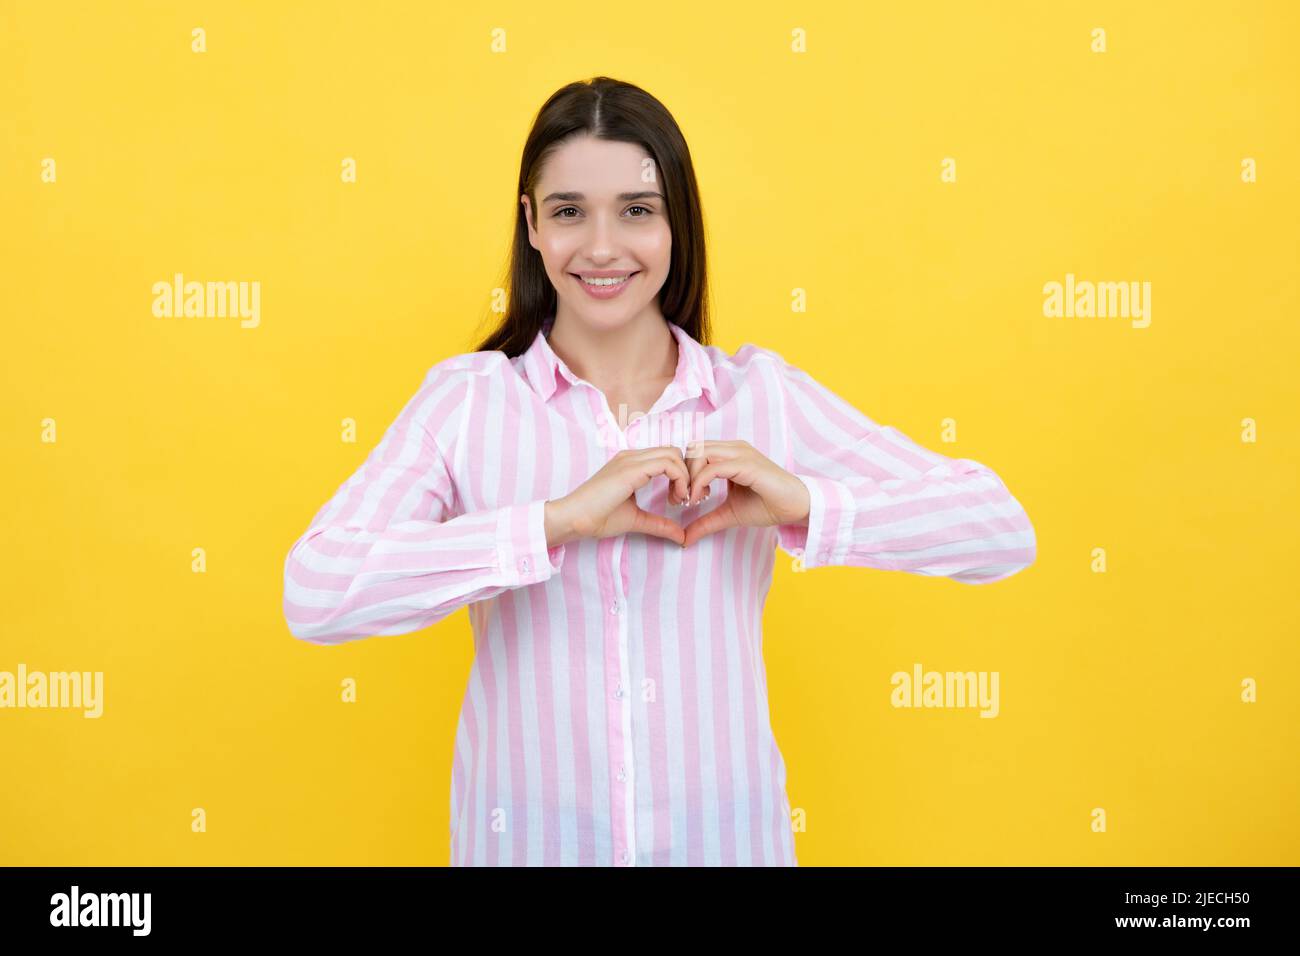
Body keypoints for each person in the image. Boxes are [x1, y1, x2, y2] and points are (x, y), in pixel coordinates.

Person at [281, 76, 1037, 867]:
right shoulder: (467, 404)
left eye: (637, 211)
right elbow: (316, 589)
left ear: (678, 225)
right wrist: (552, 523)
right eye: (570, 211)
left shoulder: (761, 398)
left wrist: (805, 505)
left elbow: (999, 528)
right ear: (532, 225)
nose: (602, 247)